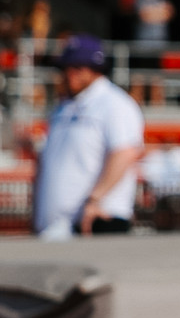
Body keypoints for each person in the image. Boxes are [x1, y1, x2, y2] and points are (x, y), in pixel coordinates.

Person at [32, 35, 145, 239]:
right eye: (66, 69)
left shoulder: (114, 103)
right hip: (57, 228)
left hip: (95, 223)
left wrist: (95, 199)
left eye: (75, 68)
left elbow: (125, 153)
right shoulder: (64, 107)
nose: (68, 75)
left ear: (92, 69)